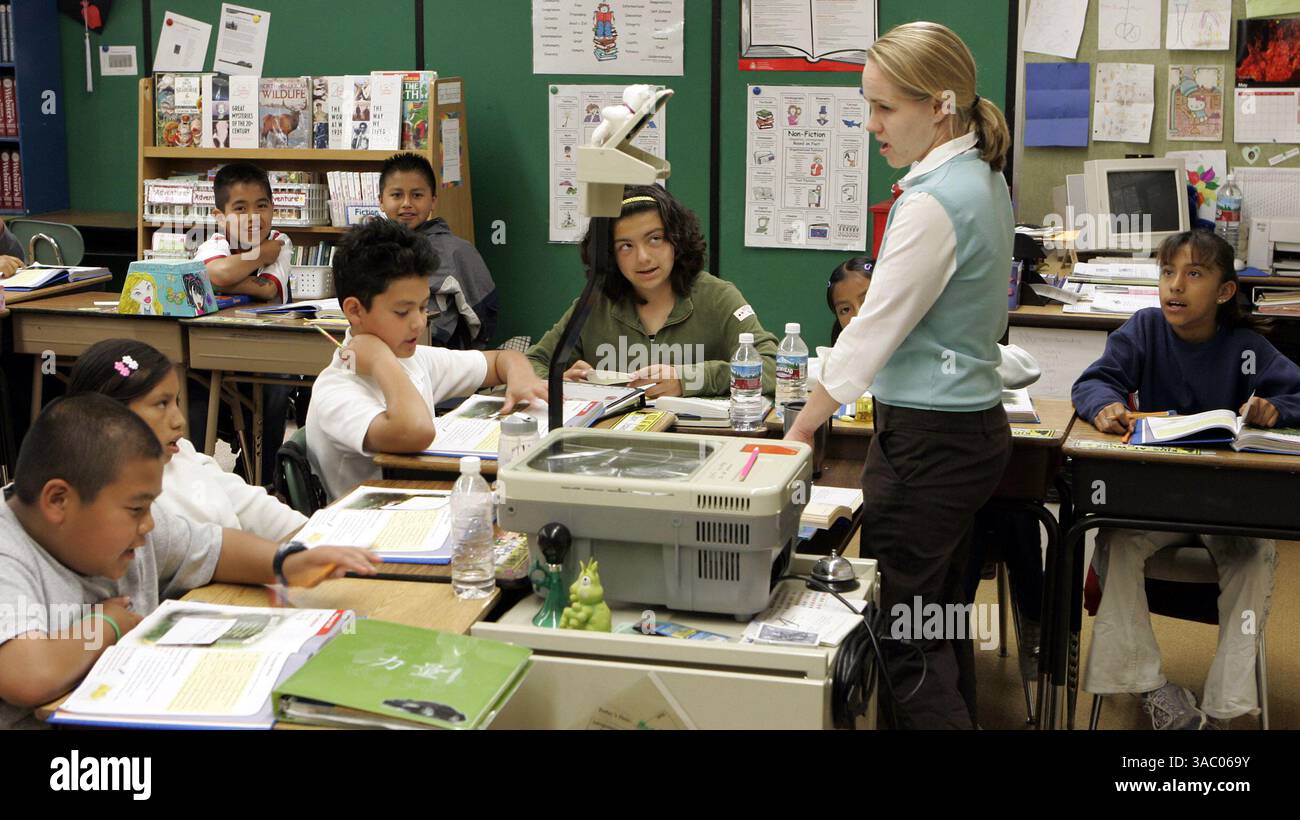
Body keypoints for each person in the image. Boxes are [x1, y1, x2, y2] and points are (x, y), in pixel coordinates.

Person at [785, 21, 1015, 729]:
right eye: (867, 104)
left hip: (926, 447)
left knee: (904, 643)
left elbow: (872, 332)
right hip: (969, 435)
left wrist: (799, 430)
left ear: (939, 104)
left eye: (885, 107)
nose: (871, 123)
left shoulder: (933, 202)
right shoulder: (979, 177)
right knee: (937, 624)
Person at [0, 395, 376, 729]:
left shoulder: (133, 529)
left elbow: (214, 547)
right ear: (58, 501)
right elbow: (27, 673)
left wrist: (286, 563)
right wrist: (107, 625)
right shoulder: (8, 551)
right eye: (136, 509)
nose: (149, 523)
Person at [1072, 229, 1299, 730]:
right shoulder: (1145, 330)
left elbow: (1296, 397)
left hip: (1229, 506)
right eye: (1168, 273)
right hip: (1159, 500)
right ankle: (1154, 688)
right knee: (1116, 541)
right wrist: (1104, 406)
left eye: (1194, 274)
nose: (1176, 286)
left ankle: (1221, 709)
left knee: (1254, 557)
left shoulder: (1247, 347)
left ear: (1224, 292)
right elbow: (1094, 380)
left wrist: (1273, 408)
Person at [305, 218, 547, 500]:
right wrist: (381, 360)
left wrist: (521, 376)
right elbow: (416, 431)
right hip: (372, 534)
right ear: (355, 311)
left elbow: (501, 360)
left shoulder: (412, 359)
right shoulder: (335, 391)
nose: (419, 323)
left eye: (422, 307)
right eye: (402, 312)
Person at [527, 185, 778, 398]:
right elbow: (531, 364)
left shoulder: (718, 297)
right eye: (625, 246)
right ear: (610, 255)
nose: (643, 258)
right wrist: (559, 382)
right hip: (613, 442)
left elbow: (775, 367)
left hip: (697, 443)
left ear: (676, 240)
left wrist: (687, 379)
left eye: (655, 239)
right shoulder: (594, 303)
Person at [67, 339, 307, 543]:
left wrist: (314, 535)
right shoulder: (113, 501)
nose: (179, 420)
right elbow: (207, 553)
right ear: (110, 416)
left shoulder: (181, 454)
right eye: (162, 404)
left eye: (176, 402)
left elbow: (250, 505)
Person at [379, 152, 498, 349]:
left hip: (437, 355)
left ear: (433, 201)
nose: (407, 203)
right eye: (397, 195)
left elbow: (484, 317)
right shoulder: (371, 250)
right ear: (381, 200)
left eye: (417, 195)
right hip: (379, 348)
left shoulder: (457, 252)